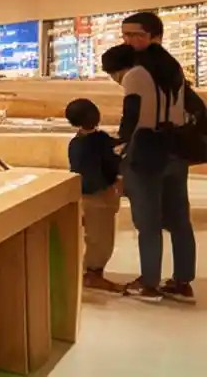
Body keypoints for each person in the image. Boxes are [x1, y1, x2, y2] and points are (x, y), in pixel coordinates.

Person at [101, 42, 198, 303]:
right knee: (179, 221)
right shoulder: (173, 72)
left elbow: (131, 116)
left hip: (146, 153)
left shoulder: (135, 75)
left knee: (148, 223)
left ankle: (149, 283)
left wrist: (119, 144)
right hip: (176, 149)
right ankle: (182, 282)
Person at [65, 98, 122, 292]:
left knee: (94, 236)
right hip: (100, 193)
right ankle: (93, 274)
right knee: (102, 238)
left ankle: (91, 271)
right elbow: (112, 161)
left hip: (85, 193)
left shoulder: (75, 143)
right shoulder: (101, 141)